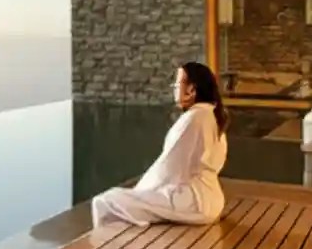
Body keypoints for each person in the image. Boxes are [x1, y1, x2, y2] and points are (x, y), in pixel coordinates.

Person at [91, 61, 229, 229]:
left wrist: (139, 193)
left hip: (193, 202)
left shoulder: (194, 119)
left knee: (105, 201)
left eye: (177, 84)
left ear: (191, 90)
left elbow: (168, 167)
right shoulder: (212, 116)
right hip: (212, 199)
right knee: (124, 203)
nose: (174, 89)